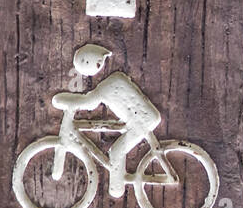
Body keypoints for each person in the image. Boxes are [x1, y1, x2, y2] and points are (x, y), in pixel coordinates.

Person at [52, 44, 161, 198]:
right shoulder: (113, 79)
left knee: (116, 152)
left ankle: (117, 189)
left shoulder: (107, 86)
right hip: (140, 120)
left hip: (143, 122)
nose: (99, 65)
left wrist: (65, 101)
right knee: (117, 145)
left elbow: (89, 102)